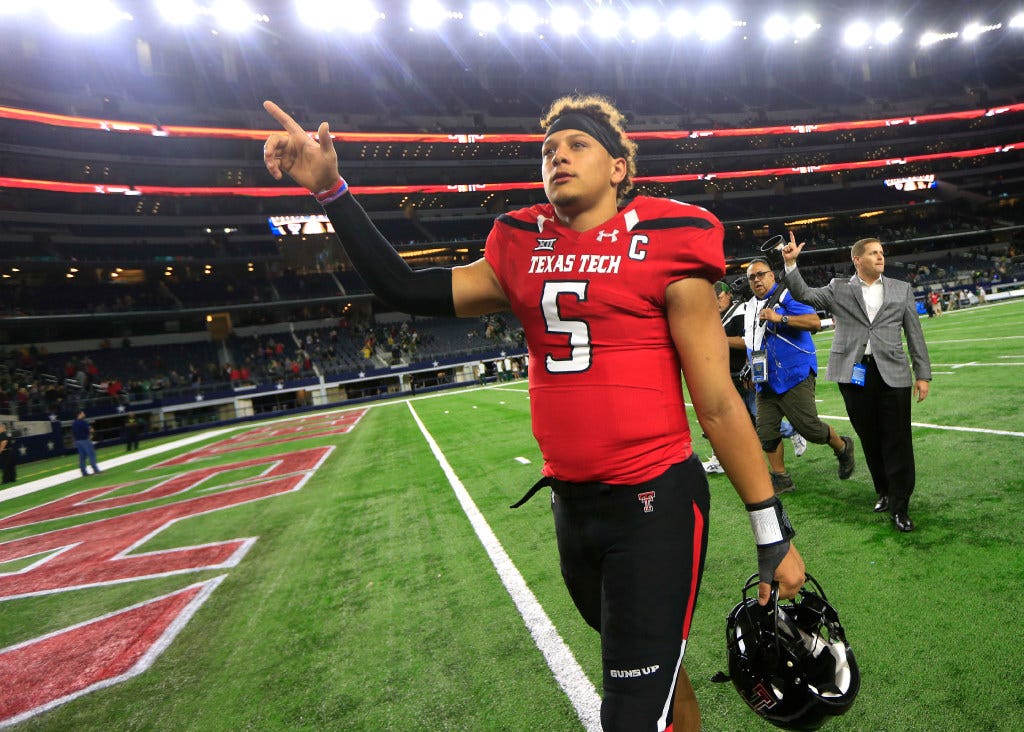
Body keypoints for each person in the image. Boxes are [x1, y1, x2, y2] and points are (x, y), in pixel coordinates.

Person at [263, 94, 807, 732]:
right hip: (573, 511)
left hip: (653, 503)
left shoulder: (670, 237)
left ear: (618, 169)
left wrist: (773, 533)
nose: (558, 157)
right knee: (662, 671)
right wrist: (331, 190)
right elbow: (403, 287)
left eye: (577, 146)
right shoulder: (519, 244)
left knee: (630, 712)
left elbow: (716, 402)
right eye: (549, 150)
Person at [782, 234, 932, 532]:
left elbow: (915, 333)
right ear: (857, 259)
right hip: (854, 374)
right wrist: (790, 264)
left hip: (894, 373)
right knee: (870, 436)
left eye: (881, 252)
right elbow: (804, 295)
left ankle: (901, 505)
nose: (880, 257)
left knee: (898, 440)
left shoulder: (901, 289)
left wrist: (923, 374)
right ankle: (884, 492)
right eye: (873, 253)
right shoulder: (839, 288)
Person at [741, 258, 855, 493]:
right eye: (751, 277)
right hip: (766, 380)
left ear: (772, 275)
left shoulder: (788, 295)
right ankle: (781, 476)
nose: (756, 280)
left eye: (761, 274)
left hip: (795, 374)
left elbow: (814, 322)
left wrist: (780, 318)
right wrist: (751, 368)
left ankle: (843, 447)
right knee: (767, 432)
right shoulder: (750, 306)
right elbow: (752, 340)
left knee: (810, 429)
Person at [702, 281, 806, 475]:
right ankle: (722, 458)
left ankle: (793, 430)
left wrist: (718, 339)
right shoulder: (719, 316)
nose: (715, 302)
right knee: (740, 420)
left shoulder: (741, 311)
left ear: (729, 295)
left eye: (718, 297)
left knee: (757, 419)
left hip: (746, 374)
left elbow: (747, 341)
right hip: (728, 376)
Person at [71, 410, 101, 476]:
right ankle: (96, 470)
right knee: (91, 454)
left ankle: (84, 472)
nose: (84, 414)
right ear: (79, 414)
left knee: (82, 457)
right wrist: (91, 433)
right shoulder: (83, 422)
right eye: (82, 413)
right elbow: (90, 429)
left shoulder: (74, 423)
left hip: (78, 441)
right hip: (85, 440)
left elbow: (74, 433)